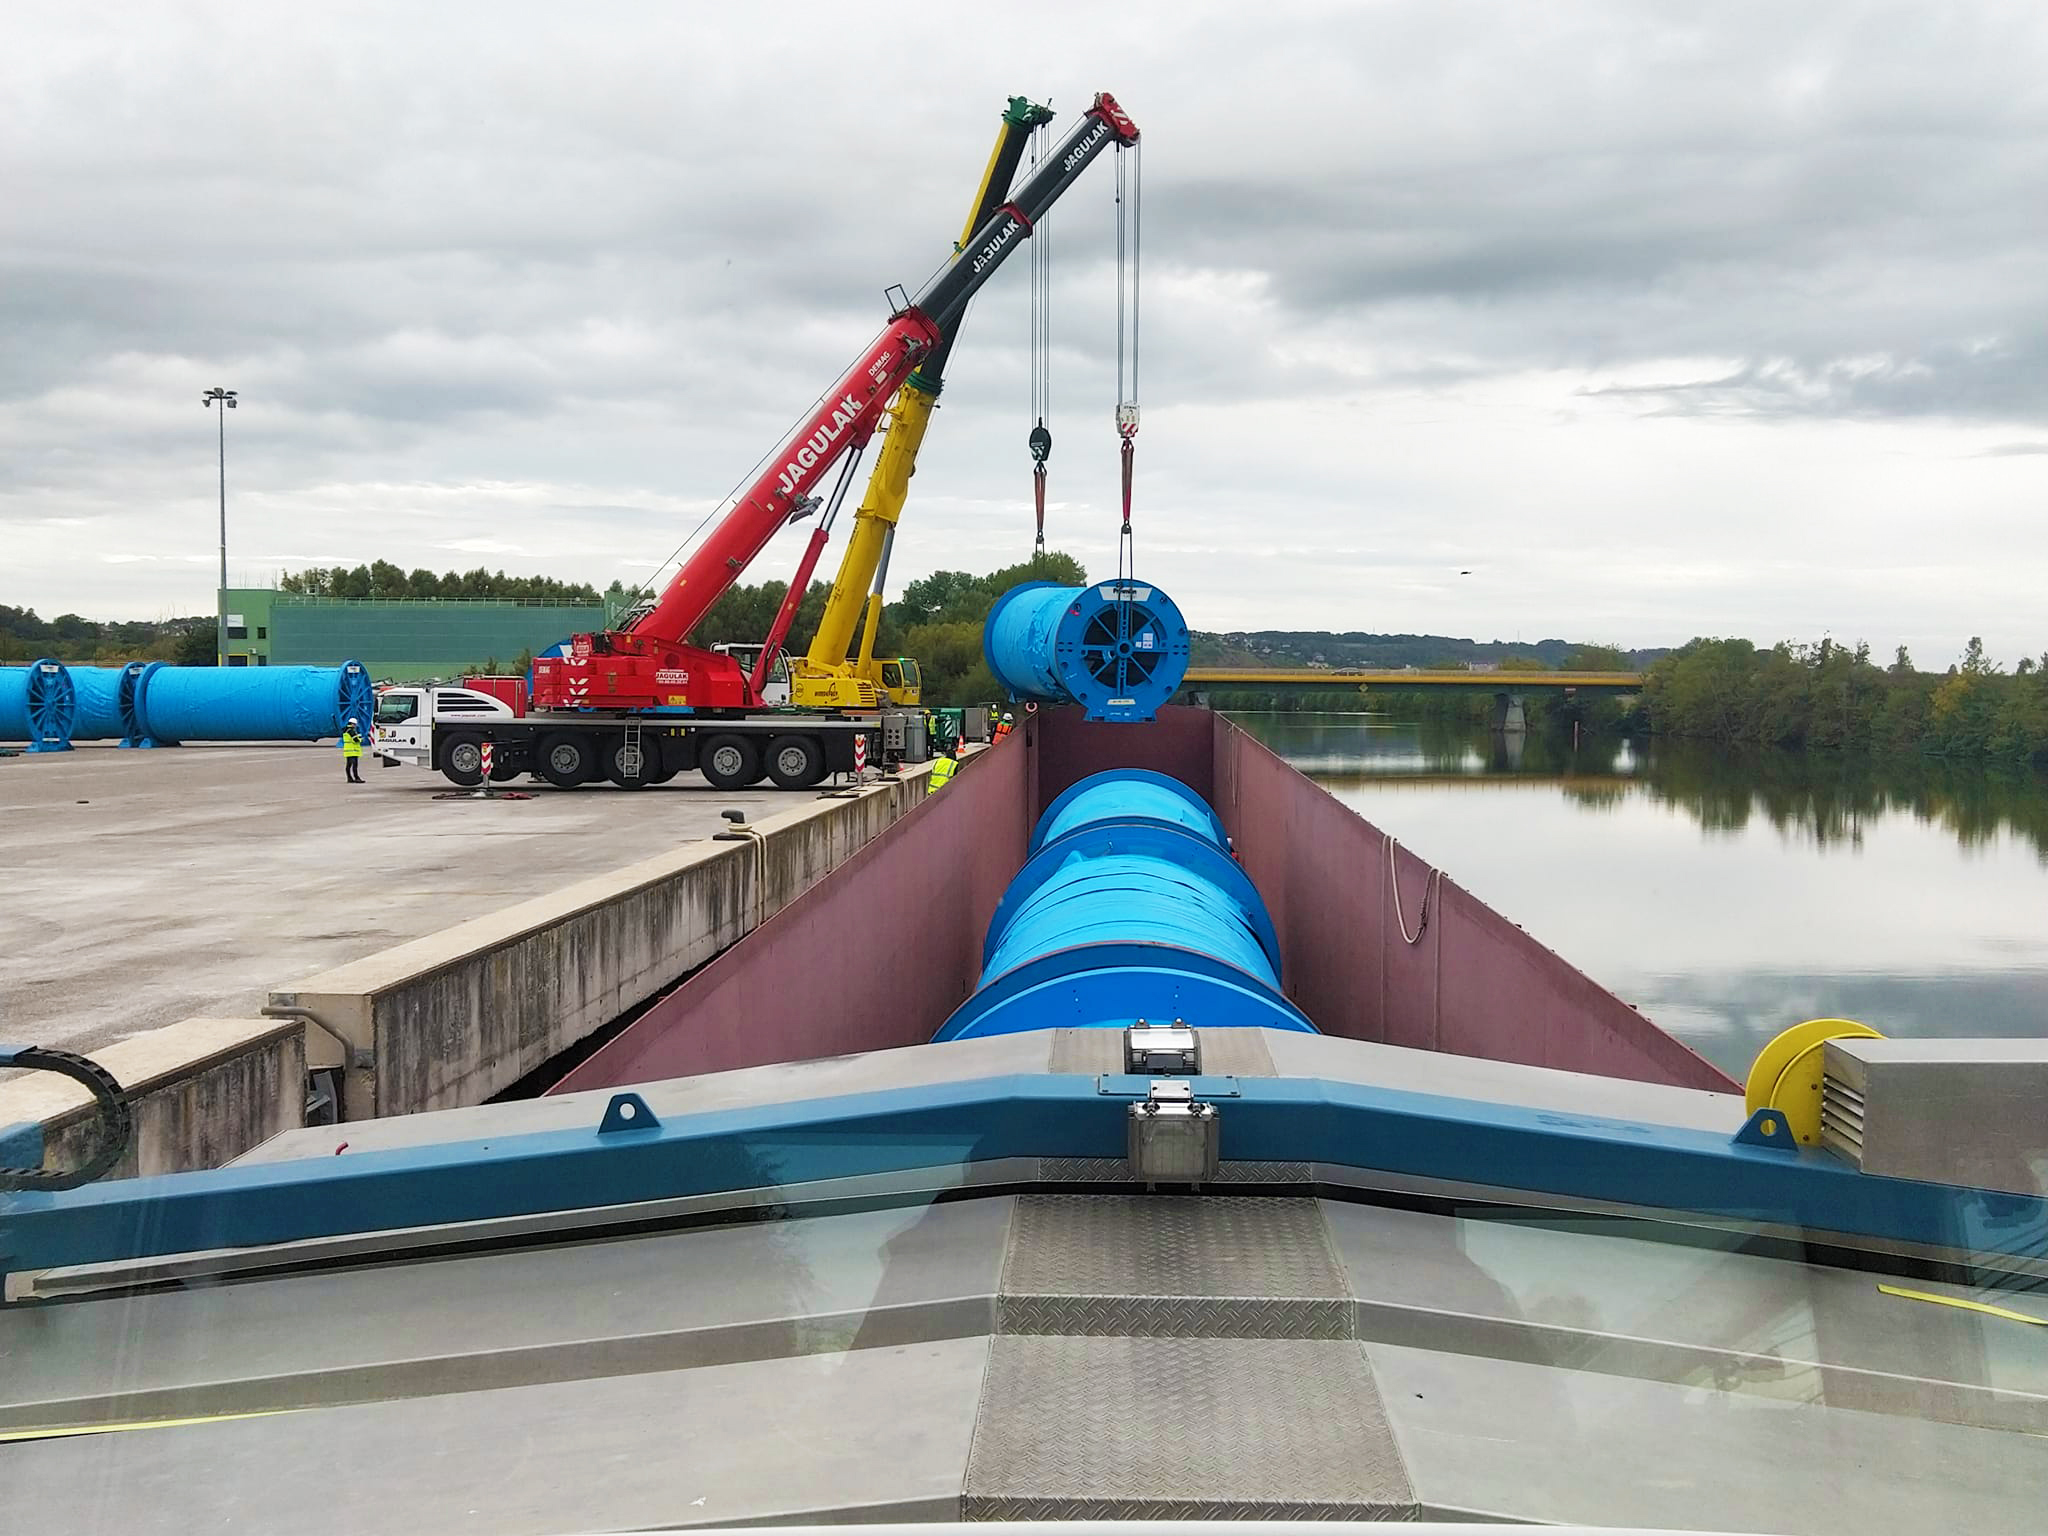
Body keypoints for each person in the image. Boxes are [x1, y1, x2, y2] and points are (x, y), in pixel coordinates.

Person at [341, 718, 365, 783]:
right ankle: (356, 777)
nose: (355, 726)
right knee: (354, 765)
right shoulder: (351, 731)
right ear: (352, 724)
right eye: (355, 724)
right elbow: (356, 740)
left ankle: (349, 778)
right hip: (353, 750)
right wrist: (361, 739)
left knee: (348, 765)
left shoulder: (346, 730)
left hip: (348, 750)